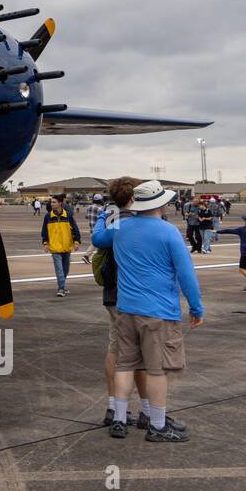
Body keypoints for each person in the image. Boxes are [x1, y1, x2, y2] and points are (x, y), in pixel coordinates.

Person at [93, 180, 203, 442]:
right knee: (156, 369)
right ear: (162, 204)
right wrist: (196, 306)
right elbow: (186, 273)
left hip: (126, 308)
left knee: (125, 364)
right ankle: (157, 424)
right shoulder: (168, 231)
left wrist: (104, 216)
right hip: (158, 311)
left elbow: (98, 238)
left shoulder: (121, 227)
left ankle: (119, 418)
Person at [91, 178, 151, 427]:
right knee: (143, 354)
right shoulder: (145, 221)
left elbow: (98, 240)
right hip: (141, 295)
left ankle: (114, 408)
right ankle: (148, 410)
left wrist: (105, 215)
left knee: (115, 349)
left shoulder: (111, 221)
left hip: (114, 292)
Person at [41, 194, 82, 297]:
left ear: (60, 203)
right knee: (59, 269)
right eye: (51, 202)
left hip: (66, 247)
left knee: (65, 269)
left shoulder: (68, 216)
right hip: (54, 248)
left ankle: (62, 285)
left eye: (54, 202)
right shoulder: (48, 217)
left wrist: (76, 242)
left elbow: (75, 230)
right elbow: (44, 232)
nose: (52, 204)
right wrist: (46, 243)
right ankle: (61, 288)